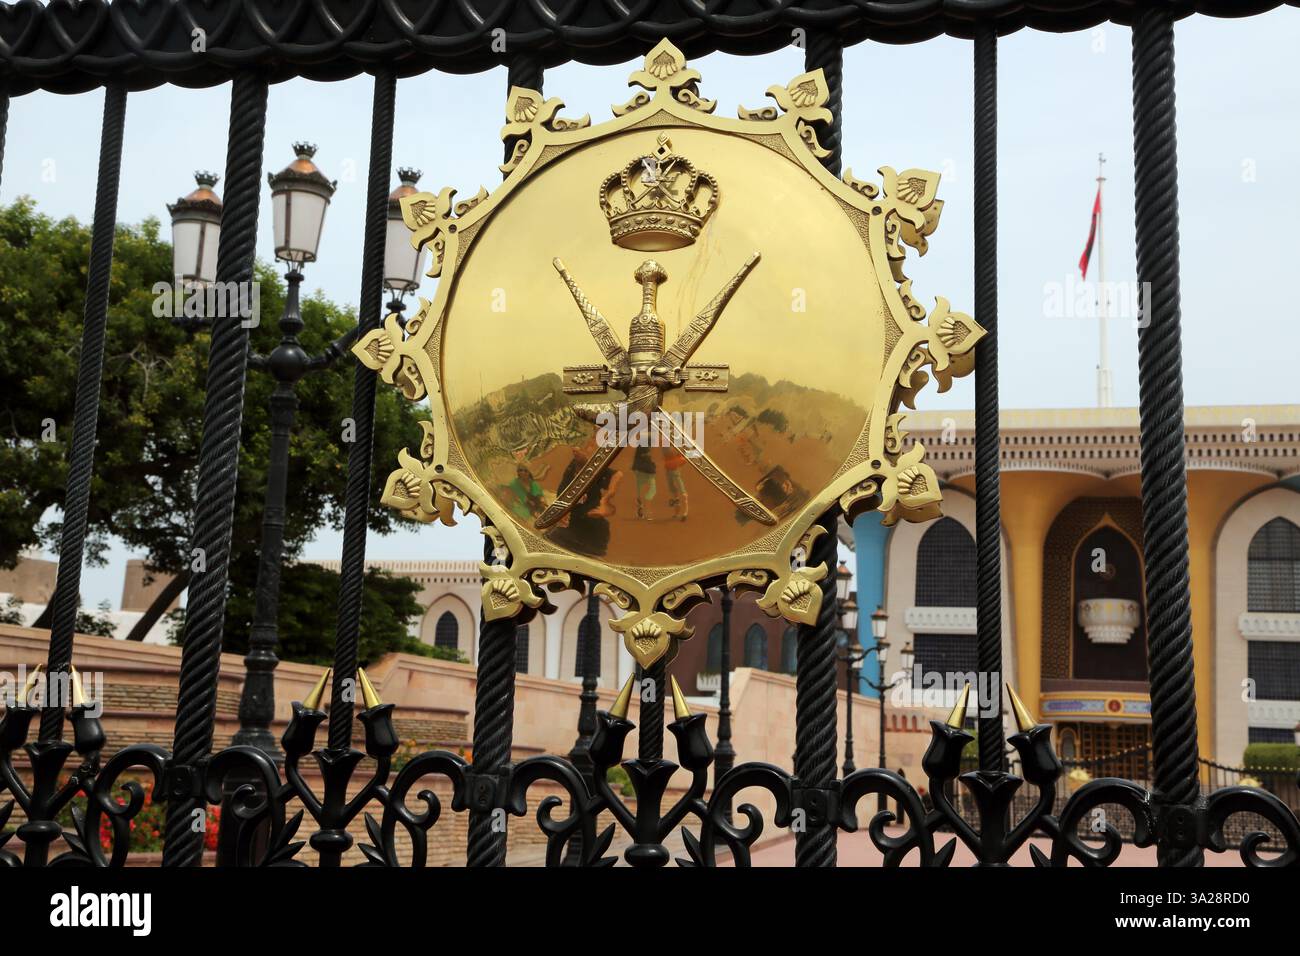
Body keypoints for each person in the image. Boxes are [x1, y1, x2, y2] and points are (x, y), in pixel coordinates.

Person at [632, 444, 656, 520]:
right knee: (652, 490)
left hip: (639, 472)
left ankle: (640, 508)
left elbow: (636, 459)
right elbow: (646, 459)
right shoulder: (645, 446)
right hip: (645, 472)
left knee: (640, 491)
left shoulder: (640, 446)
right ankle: (647, 512)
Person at [663, 445, 688, 520]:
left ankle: (685, 513)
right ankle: (677, 513)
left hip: (674, 471)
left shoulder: (674, 446)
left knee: (682, 492)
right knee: (675, 493)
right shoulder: (666, 446)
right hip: (669, 472)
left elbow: (682, 459)